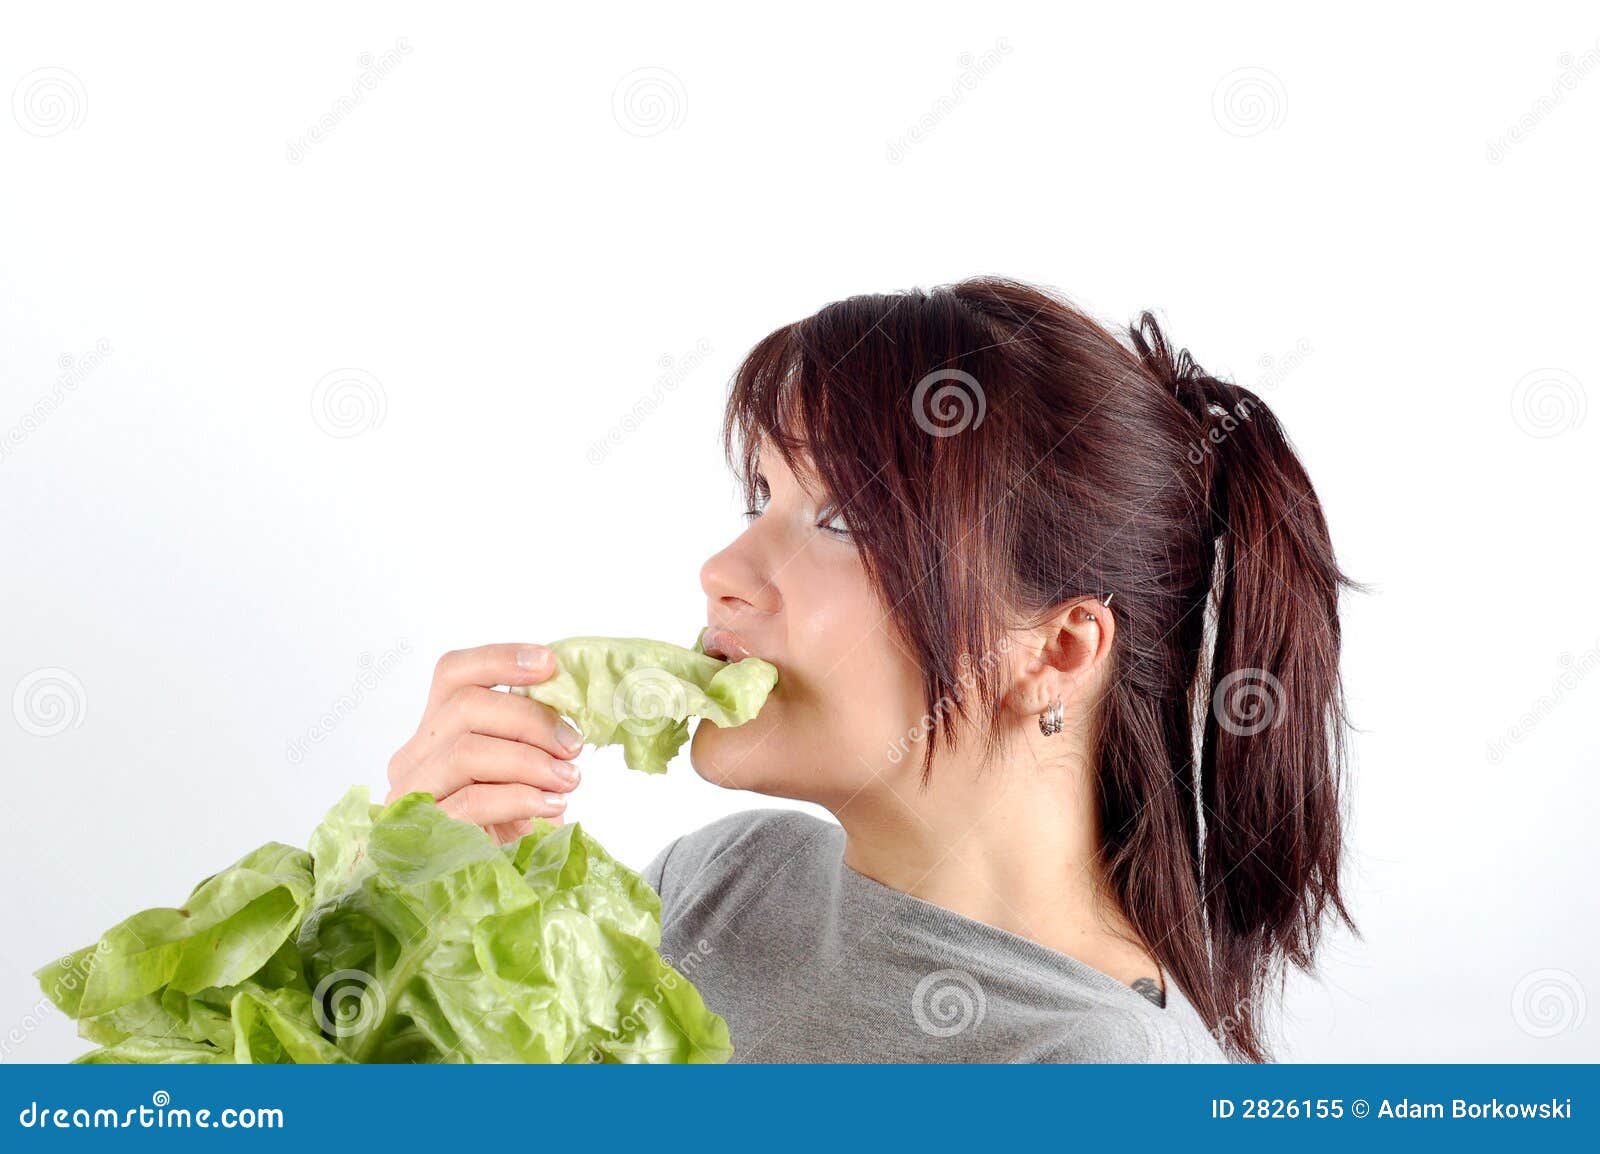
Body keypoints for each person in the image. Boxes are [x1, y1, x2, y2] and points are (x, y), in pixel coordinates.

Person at [385, 277, 1357, 1062]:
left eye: (845, 517)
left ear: (1054, 652)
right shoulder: (729, 878)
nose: (721, 573)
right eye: (758, 495)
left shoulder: (1091, 1067)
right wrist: (436, 914)